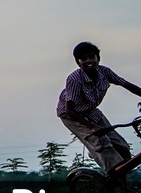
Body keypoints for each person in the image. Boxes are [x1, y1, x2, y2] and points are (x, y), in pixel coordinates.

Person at [57, 42, 141, 173]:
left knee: (121, 146)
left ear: (98, 58)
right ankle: (117, 186)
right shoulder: (74, 79)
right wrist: (92, 126)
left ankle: (121, 178)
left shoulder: (104, 72)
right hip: (72, 116)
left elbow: (126, 84)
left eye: (92, 57)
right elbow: (69, 110)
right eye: (83, 59)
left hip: (91, 111)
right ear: (78, 62)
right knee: (101, 144)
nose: (89, 61)